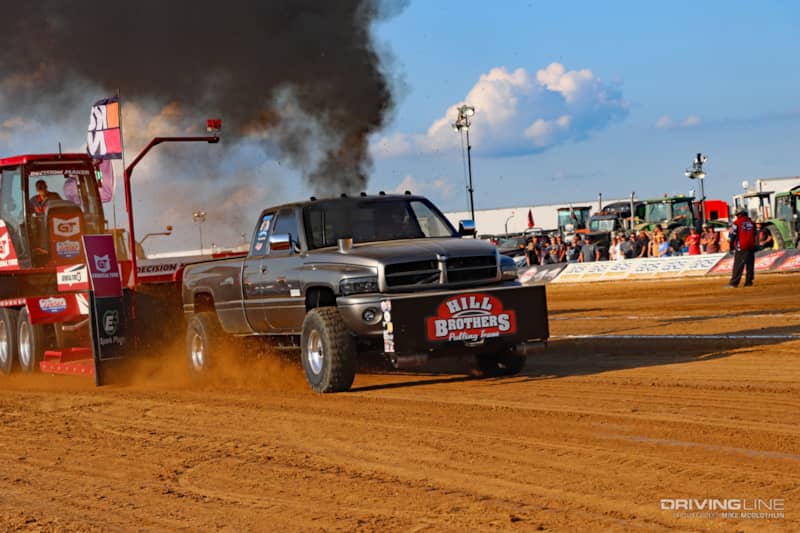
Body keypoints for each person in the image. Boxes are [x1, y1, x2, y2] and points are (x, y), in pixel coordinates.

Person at [727, 209, 757, 288]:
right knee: (750, 265)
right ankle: (749, 282)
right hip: (751, 246)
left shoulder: (736, 223)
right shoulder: (752, 222)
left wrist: (731, 247)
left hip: (741, 246)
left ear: (737, 215)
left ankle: (734, 283)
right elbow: (755, 234)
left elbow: (732, 235)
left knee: (738, 265)